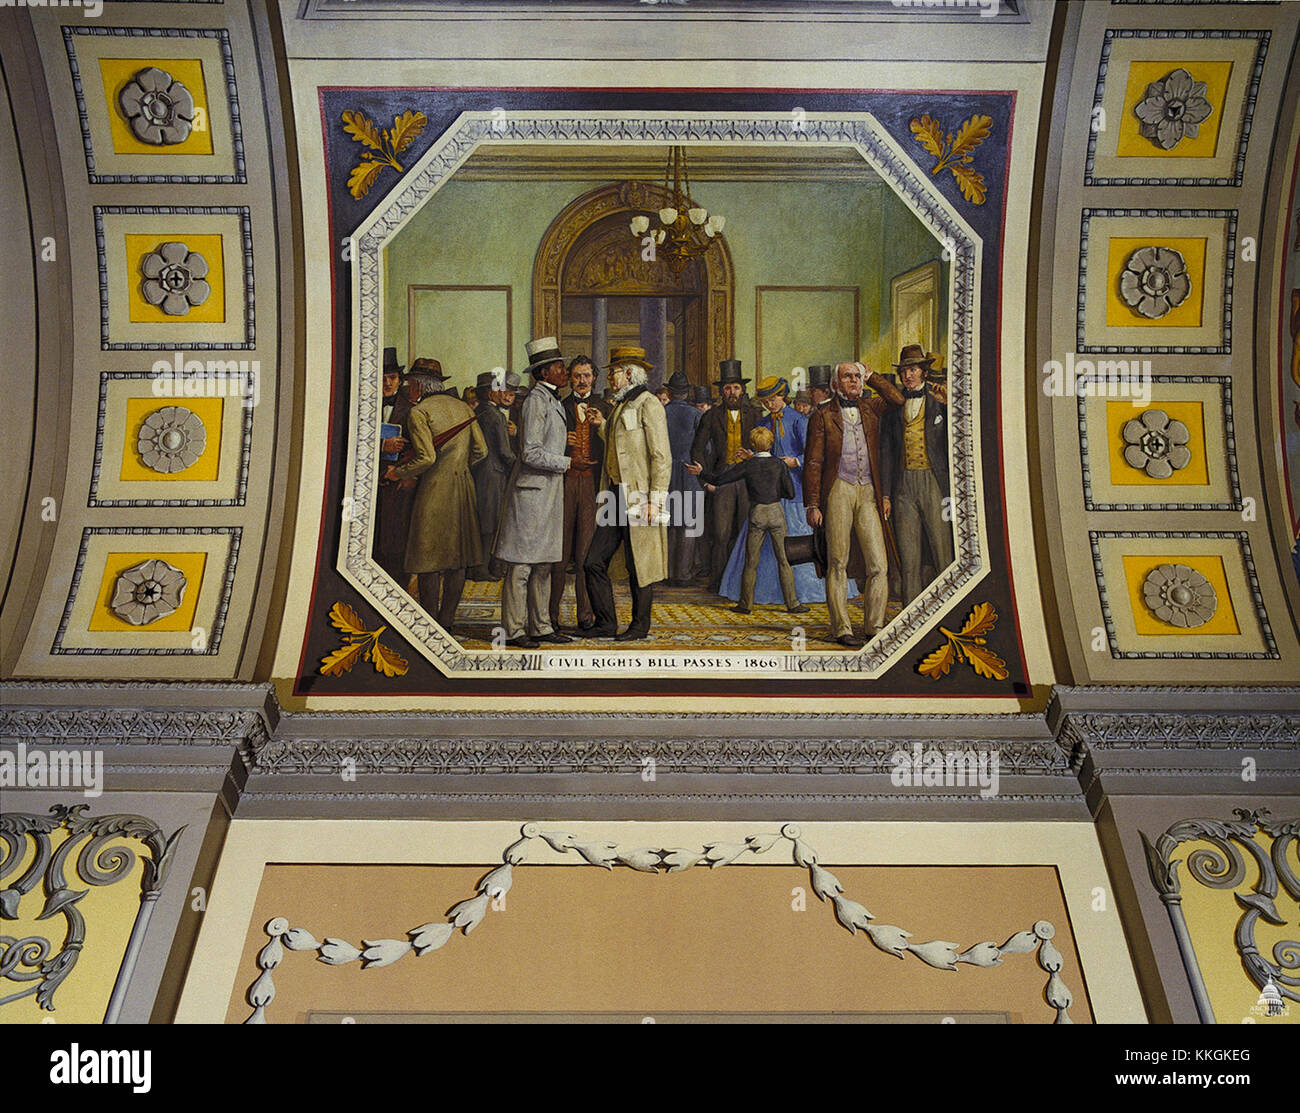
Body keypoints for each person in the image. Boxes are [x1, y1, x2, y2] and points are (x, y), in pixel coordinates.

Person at [804, 360, 904, 647]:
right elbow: (813, 462)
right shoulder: (822, 415)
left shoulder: (871, 408)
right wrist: (813, 504)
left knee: (878, 564)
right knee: (837, 561)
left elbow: (896, 399)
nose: (854, 382)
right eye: (848, 377)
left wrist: (873, 376)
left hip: (869, 490)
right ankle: (842, 628)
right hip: (838, 489)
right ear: (836, 384)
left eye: (858, 377)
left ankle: (874, 625)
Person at [385, 359, 487, 633]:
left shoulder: (419, 411)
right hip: (463, 489)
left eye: (410, 383)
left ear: (418, 384)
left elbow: (426, 458)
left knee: (428, 559)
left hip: (432, 490)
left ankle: (430, 623)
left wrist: (398, 473)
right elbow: (481, 451)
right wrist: (459, 467)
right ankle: (448, 622)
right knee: (457, 559)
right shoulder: (464, 407)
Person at [580, 346, 672, 641]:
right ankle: (606, 623)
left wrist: (656, 500)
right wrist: (601, 426)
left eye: (614, 372)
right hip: (615, 496)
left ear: (629, 374)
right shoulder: (621, 405)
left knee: (639, 566)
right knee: (592, 562)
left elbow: (661, 456)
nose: (610, 378)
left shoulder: (650, 404)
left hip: (640, 498)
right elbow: (622, 443)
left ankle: (639, 626)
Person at [717, 374, 826, 605]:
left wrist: (795, 462)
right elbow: (764, 455)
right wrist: (752, 456)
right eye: (765, 401)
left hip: (794, 492)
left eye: (773, 399)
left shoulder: (799, 420)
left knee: (794, 547)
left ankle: (802, 594)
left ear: (783, 396)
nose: (769, 404)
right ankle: (760, 596)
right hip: (769, 496)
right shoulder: (763, 423)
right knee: (758, 552)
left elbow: (815, 456)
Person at [493, 337, 574, 649]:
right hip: (530, 493)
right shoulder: (536, 401)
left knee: (543, 564)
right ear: (543, 373)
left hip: (547, 492)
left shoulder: (550, 399)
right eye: (557, 366)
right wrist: (569, 460)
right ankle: (513, 631)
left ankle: (540, 626)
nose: (563, 370)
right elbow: (530, 453)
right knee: (521, 565)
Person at [702, 426, 808, 616]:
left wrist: (701, 473)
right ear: (771, 443)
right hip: (776, 512)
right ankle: (792, 604)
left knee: (751, 562)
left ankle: (746, 604)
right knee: (784, 560)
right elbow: (790, 493)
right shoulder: (779, 465)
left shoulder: (747, 466)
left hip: (757, 513)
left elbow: (719, 480)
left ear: (753, 445)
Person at [879, 344, 953, 605]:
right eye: (905, 371)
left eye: (913, 370)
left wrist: (947, 408)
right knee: (908, 557)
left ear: (923, 372)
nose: (908, 376)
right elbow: (886, 454)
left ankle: (947, 607)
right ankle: (911, 611)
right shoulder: (892, 410)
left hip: (934, 482)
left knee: (943, 552)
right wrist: (886, 494)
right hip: (903, 487)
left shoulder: (940, 405)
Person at [549, 354, 610, 632]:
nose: (582, 381)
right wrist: (562, 442)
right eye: (577, 376)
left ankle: (585, 615)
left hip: (592, 485)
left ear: (594, 378)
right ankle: (550, 616)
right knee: (558, 554)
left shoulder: (605, 407)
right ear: (570, 379)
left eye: (586, 376)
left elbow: (616, 446)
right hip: (563, 482)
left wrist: (601, 429)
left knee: (586, 554)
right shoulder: (558, 406)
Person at [688, 360, 759, 592]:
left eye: (736, 387)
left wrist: (754, 456)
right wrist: (705, 479)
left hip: (749, 479)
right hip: (722, 479)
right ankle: (719, 582)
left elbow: (769, 446)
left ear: (743, 390)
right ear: (721, 392)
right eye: (727, 388)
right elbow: (697, 449)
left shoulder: (756, 414)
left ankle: (744, 584)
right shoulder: (711, 416)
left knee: (746, 531)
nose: (732, 392)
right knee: (720, 533)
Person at [469, 367, 518, 581]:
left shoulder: (478, 412)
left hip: (479, 472)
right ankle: (480, 568)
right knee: (489, 522)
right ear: (490, 392)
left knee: (481, 519)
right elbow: (504, 452)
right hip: (494, 474)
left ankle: (480, 566)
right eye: (500, 389)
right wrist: (519, 467)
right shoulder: (495, 415)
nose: (503, 393)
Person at [375, 346, 415, 584]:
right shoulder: (362, 407)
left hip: (397, 490)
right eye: (382, 378)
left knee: (394, 546)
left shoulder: (410, 412)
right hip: (368, 487)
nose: (387, 383)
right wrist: (383, 446)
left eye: (391, 378)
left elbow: (419, 452)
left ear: (400, 381)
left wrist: (400, 473)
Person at [662, 370, 703, 586]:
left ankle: (668, 572)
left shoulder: (661, 413)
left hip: (666, 472)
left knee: (669, 524)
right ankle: (684, 575)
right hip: (690, 472)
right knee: (689, 524)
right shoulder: (696, 415)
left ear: (669, 392)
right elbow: (704, 446)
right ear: (687, 393)